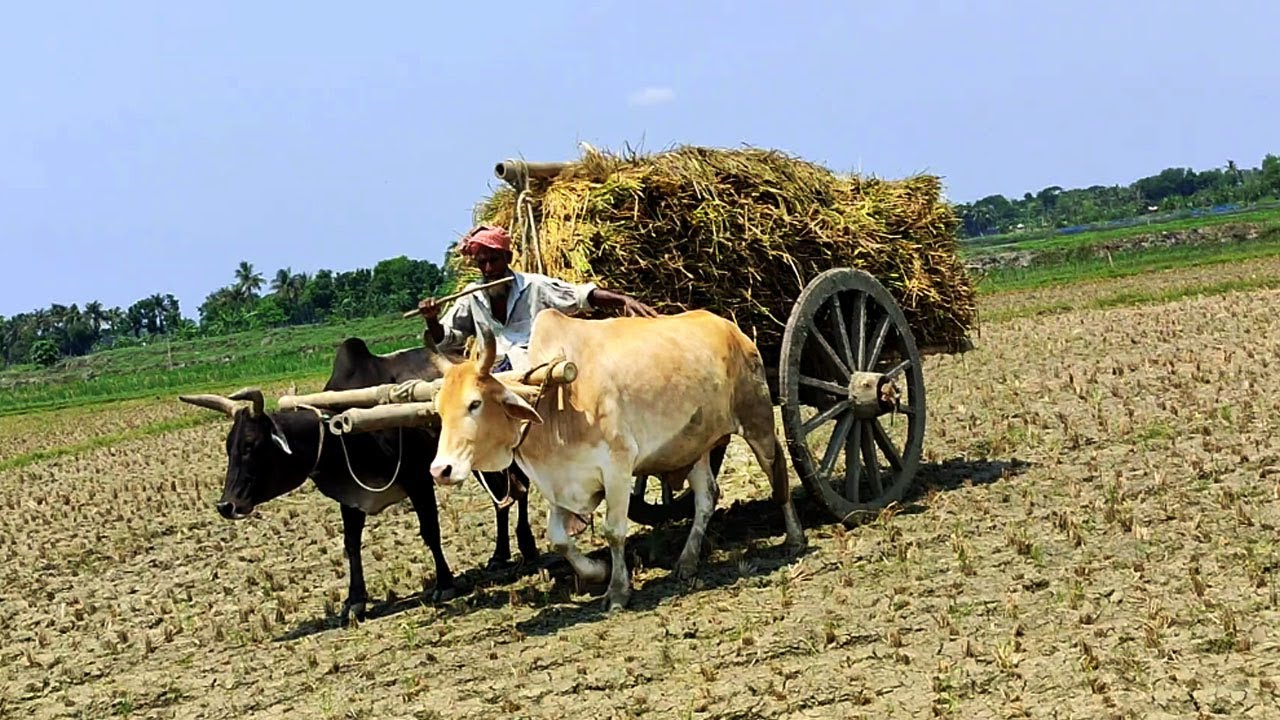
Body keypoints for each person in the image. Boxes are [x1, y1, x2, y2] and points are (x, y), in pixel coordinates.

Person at [418, 224, 659, 374]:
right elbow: (447, 339)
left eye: (495, 260)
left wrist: (623, 301)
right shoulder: (472, 296)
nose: (489, 268)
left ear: (508, 258)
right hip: (490, 373)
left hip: (533, 369)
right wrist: (431, 320)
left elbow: (580, 295)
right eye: (483, 262)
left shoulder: (534, 286)